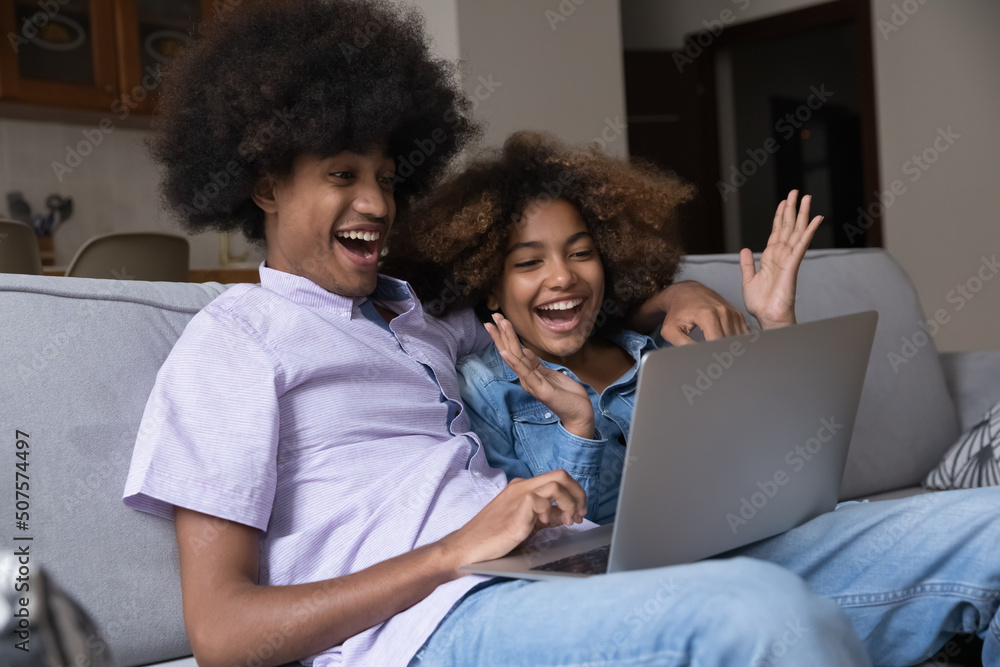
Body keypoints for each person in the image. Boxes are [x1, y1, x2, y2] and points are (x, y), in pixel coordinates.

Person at [122, 2, 879, 666]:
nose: (377, 203)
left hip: (551, 564)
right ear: (264, 186)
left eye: (386, 177)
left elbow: (553, 296)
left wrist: (670, 294)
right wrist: (451, 553)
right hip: (434, 622)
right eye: (342, 174)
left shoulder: (422, 319)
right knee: (761, 611)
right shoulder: (236, 340)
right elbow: (222, 632)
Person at [386, 130, 1000, 664]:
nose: (563, 277)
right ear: (489, 287)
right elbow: (552, 550)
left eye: (581, 253)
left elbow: (781, 470)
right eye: (529, 263)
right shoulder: (482, 389)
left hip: (753, 548)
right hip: (646, 599)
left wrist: (777, 323)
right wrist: (579, 428)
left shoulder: (661, 348)